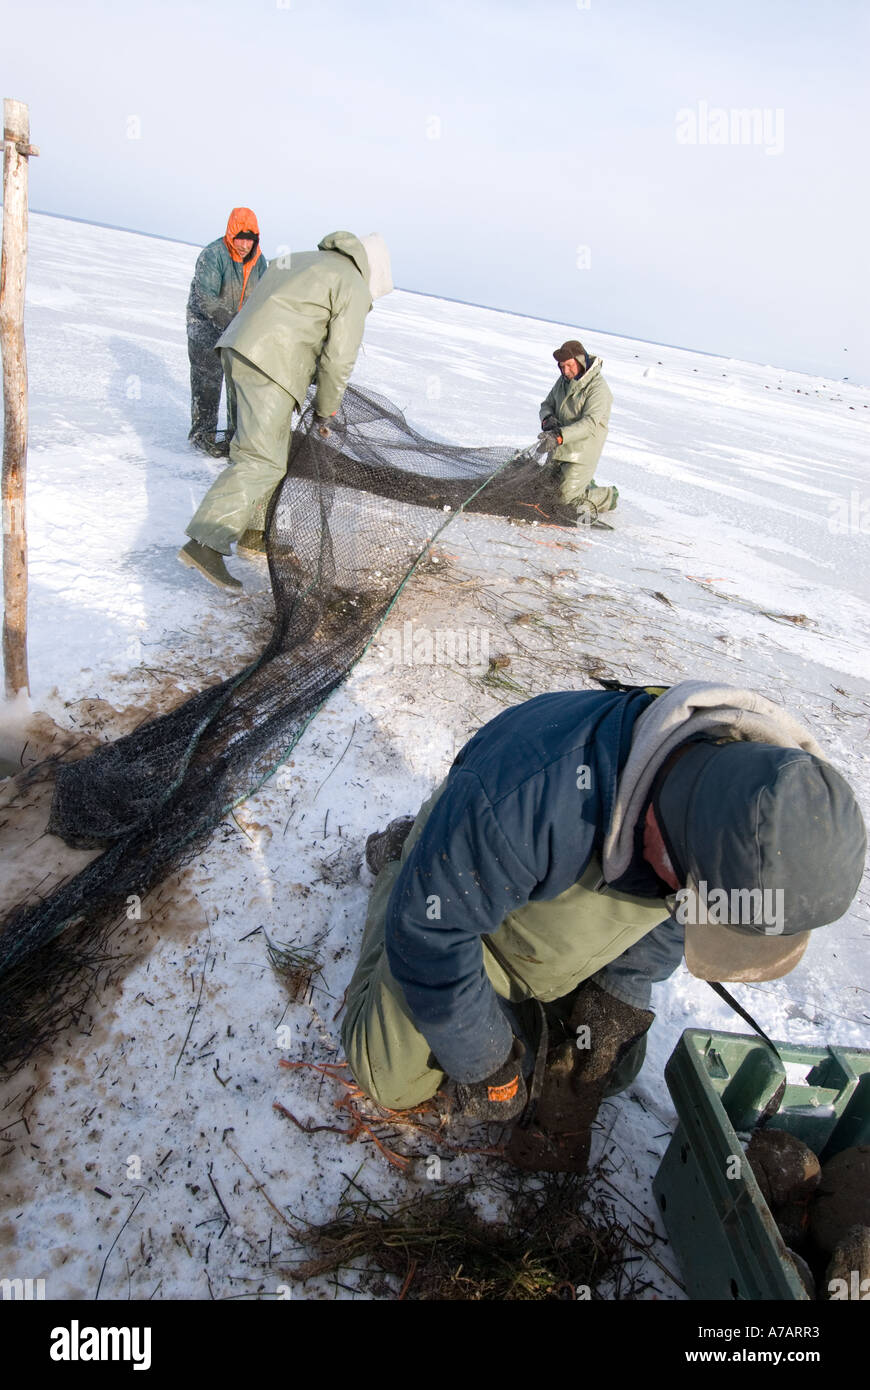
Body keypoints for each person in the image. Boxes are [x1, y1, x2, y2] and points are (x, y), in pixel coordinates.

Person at [341, 680, 866, 1171]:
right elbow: (430, 932)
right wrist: (486, 1062)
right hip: (453, 891)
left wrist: (619, 993)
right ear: (661, 833)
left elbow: (670, 915)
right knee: (389, 1074)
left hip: (546, 893)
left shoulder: (744, 796)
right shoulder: (529, 800)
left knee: (608, 1067)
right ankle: (402, 854)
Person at [178, 230, 393, 592]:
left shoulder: (300, 259)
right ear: (371, 272)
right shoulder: (352, 285)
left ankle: (253, 532)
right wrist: (326, 410)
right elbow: (338, 359)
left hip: (239, 347)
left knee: (270, 452)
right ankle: (205, 542)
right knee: (259, 459)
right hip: (272, 363)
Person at [186, 208, 268, 457]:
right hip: (205, 326)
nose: (244, 245)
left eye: (250, 239)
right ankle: (203, 435)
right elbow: (207, 299)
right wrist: (232, 325)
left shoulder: (259, 262)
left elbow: (263, 296)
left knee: (239, 382)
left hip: (238, 330)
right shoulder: (213, 255)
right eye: (240, 238)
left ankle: (236, 436)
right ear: (231, 234)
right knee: (208, 381)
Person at [537, 339, 618, 524]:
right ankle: (584, 482)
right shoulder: (564, 380)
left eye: (569, 366)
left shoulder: (598, 389)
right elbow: (547, 404)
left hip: (582, 451)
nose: (565, 371)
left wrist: (559, 436)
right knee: (542, 489)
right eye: (561, 366)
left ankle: (607, 496)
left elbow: (589, 424)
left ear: (581, 361)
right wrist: (547, 419)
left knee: (565, 502)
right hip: (558, 447)